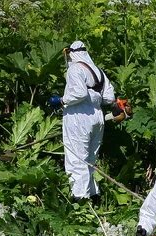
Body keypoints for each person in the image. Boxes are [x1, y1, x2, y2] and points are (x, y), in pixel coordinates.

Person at [58, 41, 115, 201]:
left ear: (72, 53)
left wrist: (61, 100)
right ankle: (94, 195)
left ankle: (80, 201)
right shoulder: (99, 72)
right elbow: (109, 98)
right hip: (97, 118)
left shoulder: (75, 69)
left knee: (77, 159)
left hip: (79, 117)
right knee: (90, 159)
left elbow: (79, 93)